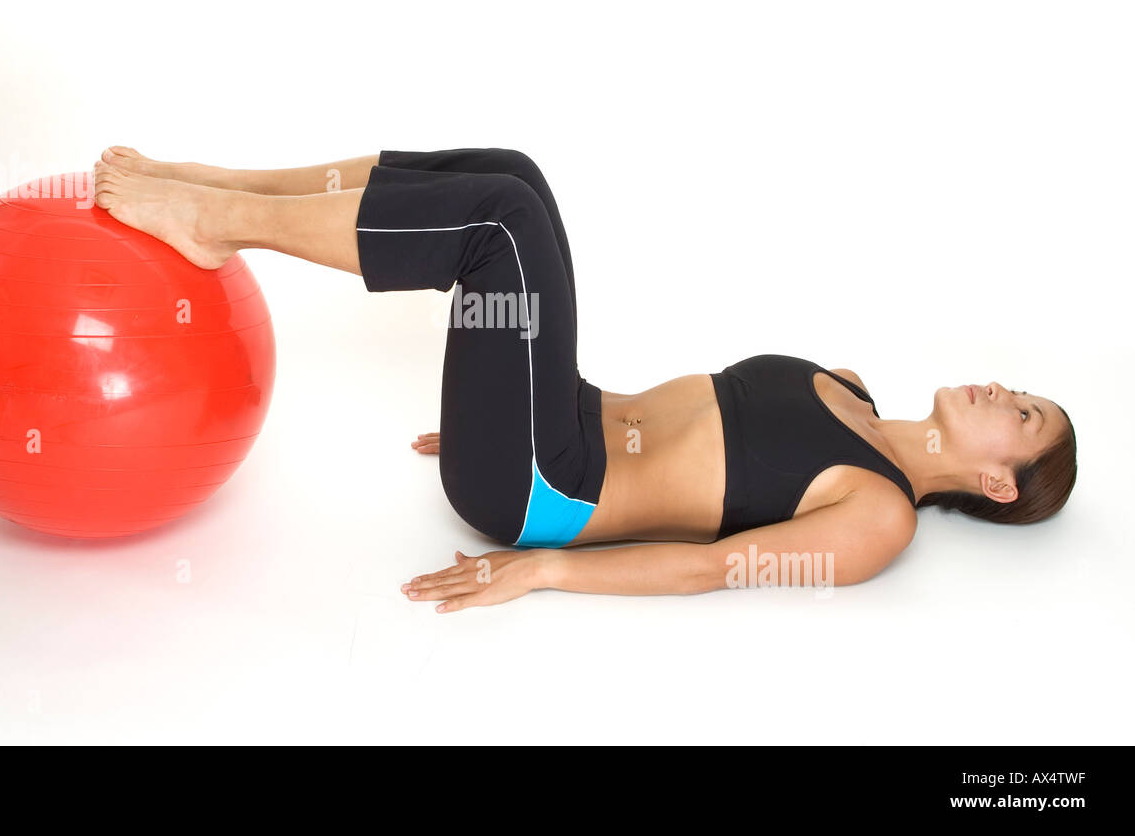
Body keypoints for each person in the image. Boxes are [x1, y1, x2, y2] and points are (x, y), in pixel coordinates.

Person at [91, 146, 1077, 612]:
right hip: (538, 427)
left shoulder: (879, 517)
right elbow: (672, 423)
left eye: (1021, 415)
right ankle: (221, 187)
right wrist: (500, 400)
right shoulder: (849, 391)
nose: (1002, 389)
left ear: (997, 483)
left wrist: (546, 569)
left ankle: (213, 221)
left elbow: (714, 566)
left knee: (496, 228)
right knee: (512, 175)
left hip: (538, 487)